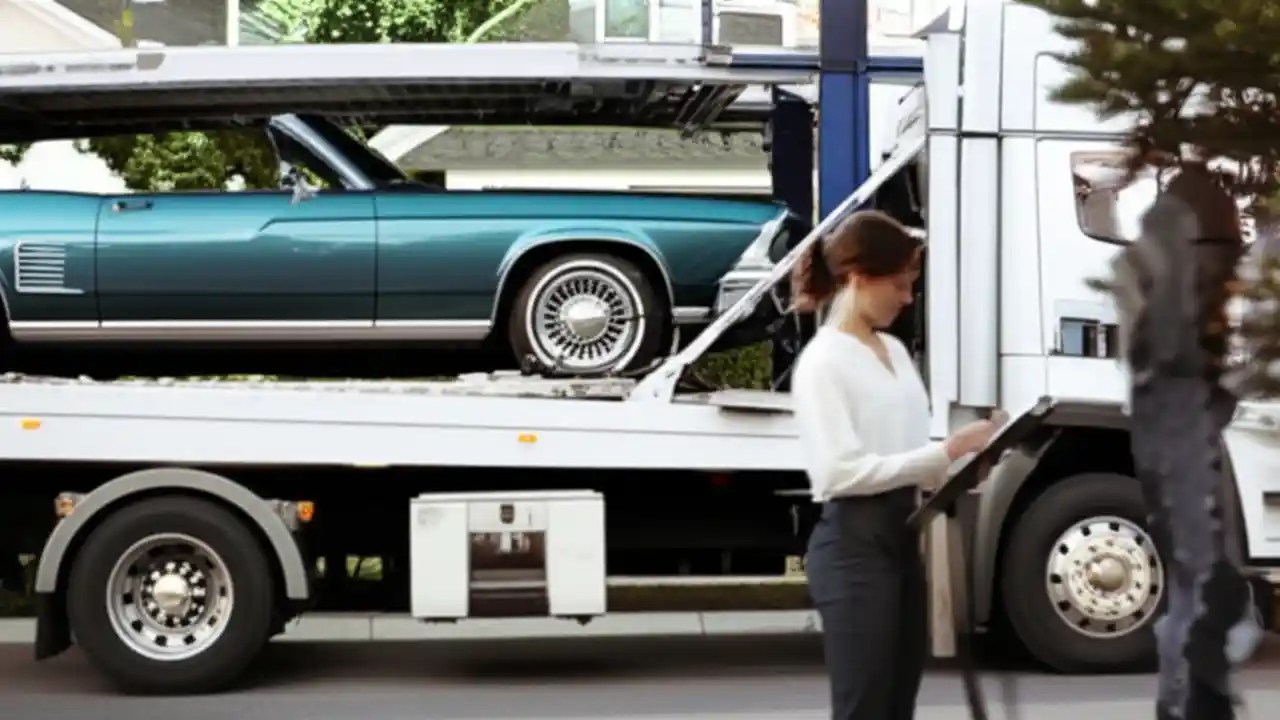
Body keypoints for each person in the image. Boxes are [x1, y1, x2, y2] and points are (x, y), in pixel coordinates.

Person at [789, 209, 1000, 720]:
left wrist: (970, 460)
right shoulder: (823, 362)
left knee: (897, 705)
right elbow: (838, 472)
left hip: (903, 538)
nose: (908, 299)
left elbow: (910, 454)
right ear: (861, 278)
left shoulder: (896, 353)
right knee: (865, 706)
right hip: (853, 548)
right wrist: (946, 452)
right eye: (901, 286)